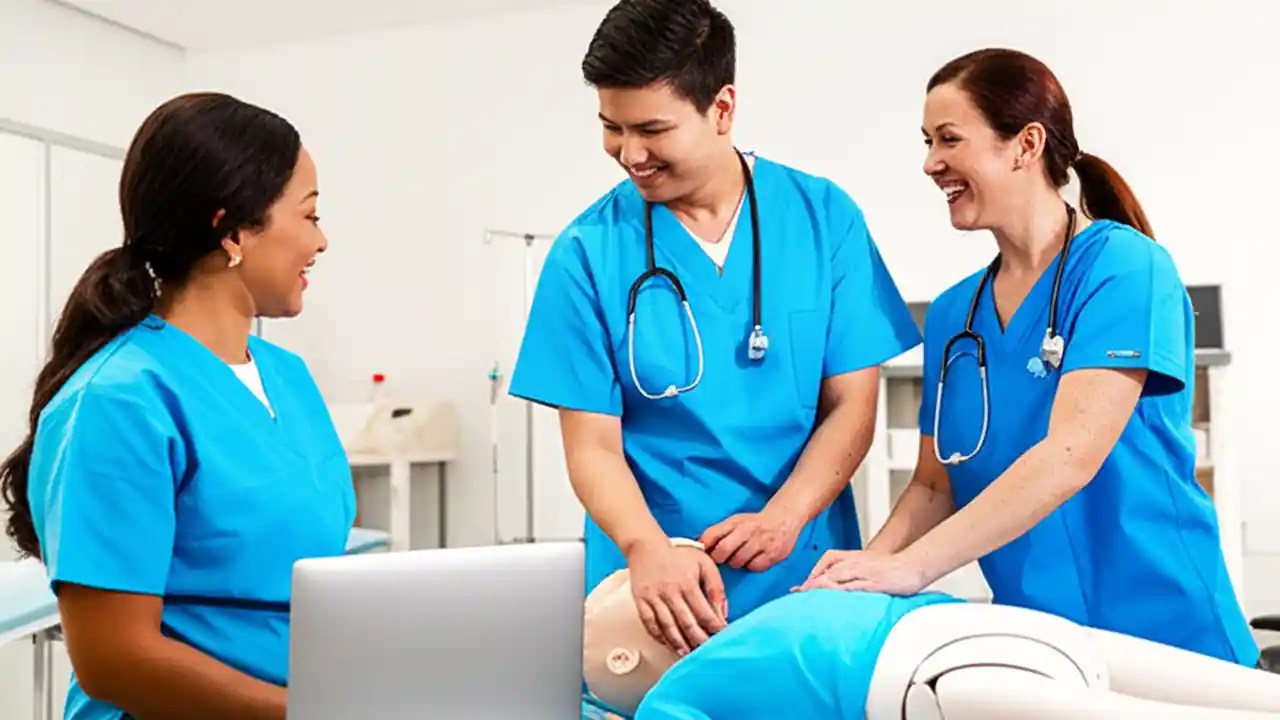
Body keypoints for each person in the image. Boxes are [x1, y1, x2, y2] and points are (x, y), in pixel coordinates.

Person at [798, 47, 1259, 667]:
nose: (931, 163)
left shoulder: (1123, 268)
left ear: (1025, 144)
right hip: (1044, 652)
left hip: (1171, 637)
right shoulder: (955, 314)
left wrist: (912, 569)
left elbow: (1070, 456)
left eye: (949, 139)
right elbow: (936, 484)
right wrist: (863, 578)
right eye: (927, 141)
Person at [509, 0, 920, 656]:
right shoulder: (587, 252)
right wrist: (647, 548)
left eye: (652, 128)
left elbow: (852, 406)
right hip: (656, 588)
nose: (629, 153)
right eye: (611, 128)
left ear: (722, 108)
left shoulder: (823, 219)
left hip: (803, 570)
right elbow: (591, 447)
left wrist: (785, 518)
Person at [0, 92, 353, 720]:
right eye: (309, 215)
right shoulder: (119, 400)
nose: (321, 241)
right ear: (235, 230)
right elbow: (115, 659)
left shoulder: (287, 377)